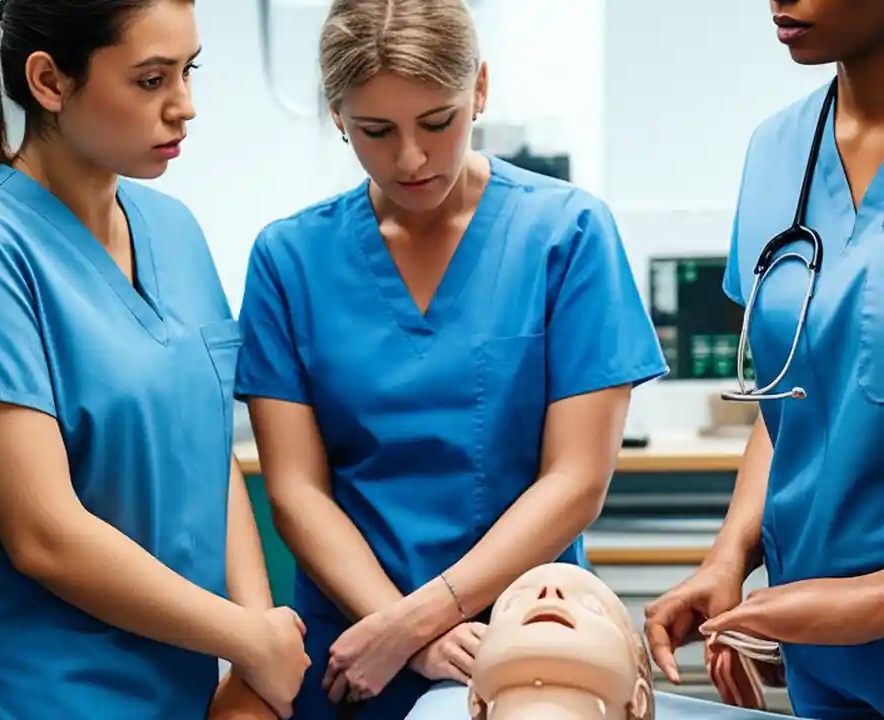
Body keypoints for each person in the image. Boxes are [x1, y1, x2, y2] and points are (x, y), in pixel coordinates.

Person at [234, 1, 667, 718]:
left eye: (438, 122)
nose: (411, 158)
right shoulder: (289, 259)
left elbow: (577, 478)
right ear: (337, 116)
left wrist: (421, 619)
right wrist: (401, 634)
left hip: (531, 640)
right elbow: (297, 492)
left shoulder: (566, 233)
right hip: (358, 648)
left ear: (482, 90)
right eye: (375, 131)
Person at [0, 1, 308, 718]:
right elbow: (45, 536)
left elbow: (208, 456)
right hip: (56, 695)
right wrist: (246, 635)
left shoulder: (174, 230)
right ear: (50, 82)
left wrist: (258, 667)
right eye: (151, 81)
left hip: (198, 689)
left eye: (189, 72)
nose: (183, 108)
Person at [645, 2, 884, 717]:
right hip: (818, 654)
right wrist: (729, 561)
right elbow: (787, 396)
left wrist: (863, 603)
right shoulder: (778, 150)